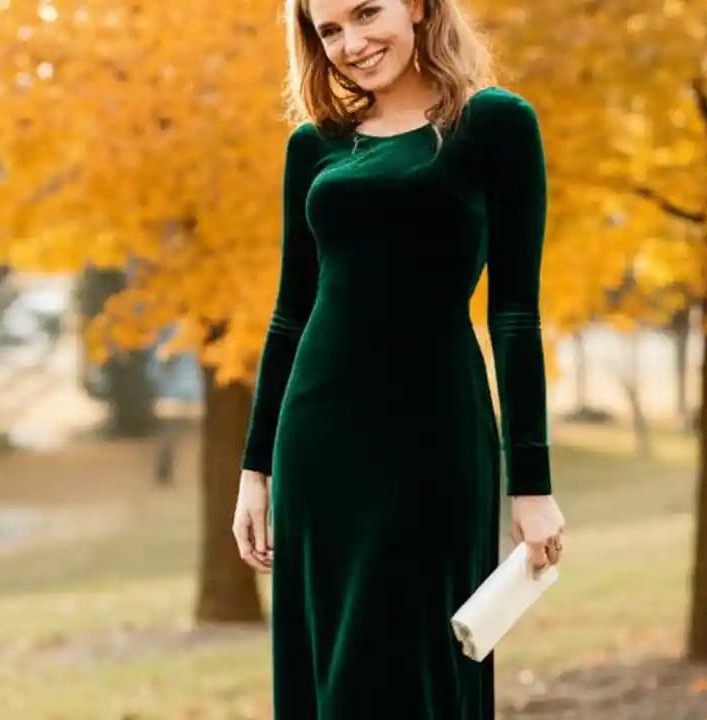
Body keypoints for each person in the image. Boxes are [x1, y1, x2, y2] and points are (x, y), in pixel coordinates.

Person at [231, 0, 566, 717]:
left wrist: (532, 486)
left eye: (366, 13)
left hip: (433, 442)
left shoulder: (495, 124)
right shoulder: (315, 146)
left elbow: (514, 314)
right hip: (318, 445)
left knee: (407, 668)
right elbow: (290, 315)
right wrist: (255, 470)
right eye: (329, 30)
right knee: (331, 670)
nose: (351, 43)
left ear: (415, 5)